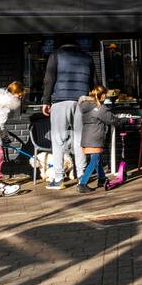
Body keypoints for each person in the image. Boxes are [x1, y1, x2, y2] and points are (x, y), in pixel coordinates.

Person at [42, 38, 93, 190]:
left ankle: (58, 179)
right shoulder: (87, 57)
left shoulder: (55, 55)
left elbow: (49, 79)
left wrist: (46, 100)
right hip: (82, 101)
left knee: (58, 140)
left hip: (60, 101)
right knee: (79, 140)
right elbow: (94, 81)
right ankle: (82, 177)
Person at [75, 86, 124, 194]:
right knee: (94, 161)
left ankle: (102, 179)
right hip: (95, 138)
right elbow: (110, 119)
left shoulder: (86, 106)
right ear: (102, 95)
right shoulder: (99, 108)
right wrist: (121, 120)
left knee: (97, 159)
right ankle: (82, 184)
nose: (105, 97)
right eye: (105, 95)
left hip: (87, 137)